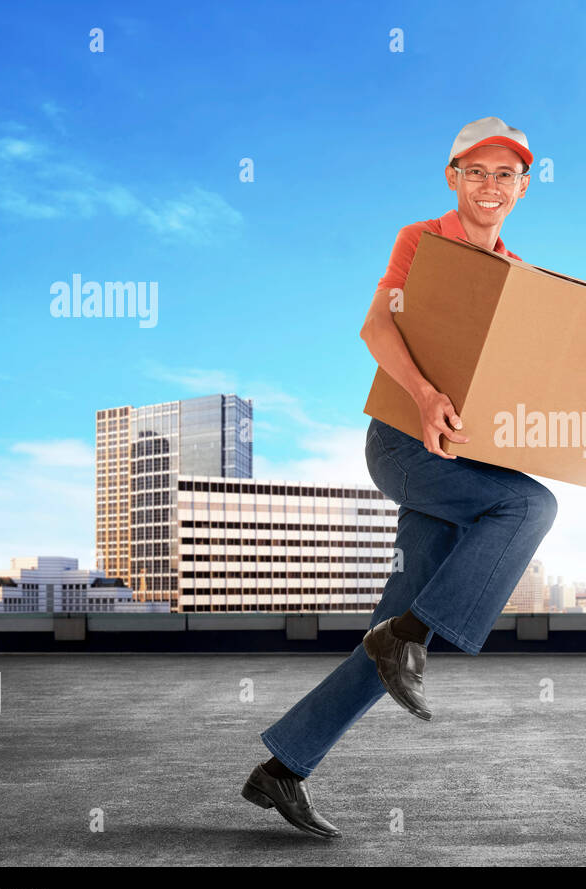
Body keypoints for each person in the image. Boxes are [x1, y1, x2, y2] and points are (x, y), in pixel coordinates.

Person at [240, 117, 559, 839]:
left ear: (523, 187)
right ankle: (406, 637)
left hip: (464, 459)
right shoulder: (424, 239)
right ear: (453, 176)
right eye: (475, 171)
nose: (490, 186)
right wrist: (423, 397)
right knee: (530, 508)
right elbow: (376, 327)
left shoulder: (520, 274)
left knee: (394, 637)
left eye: (504, 175)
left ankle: (284, 768)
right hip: (405, 447)